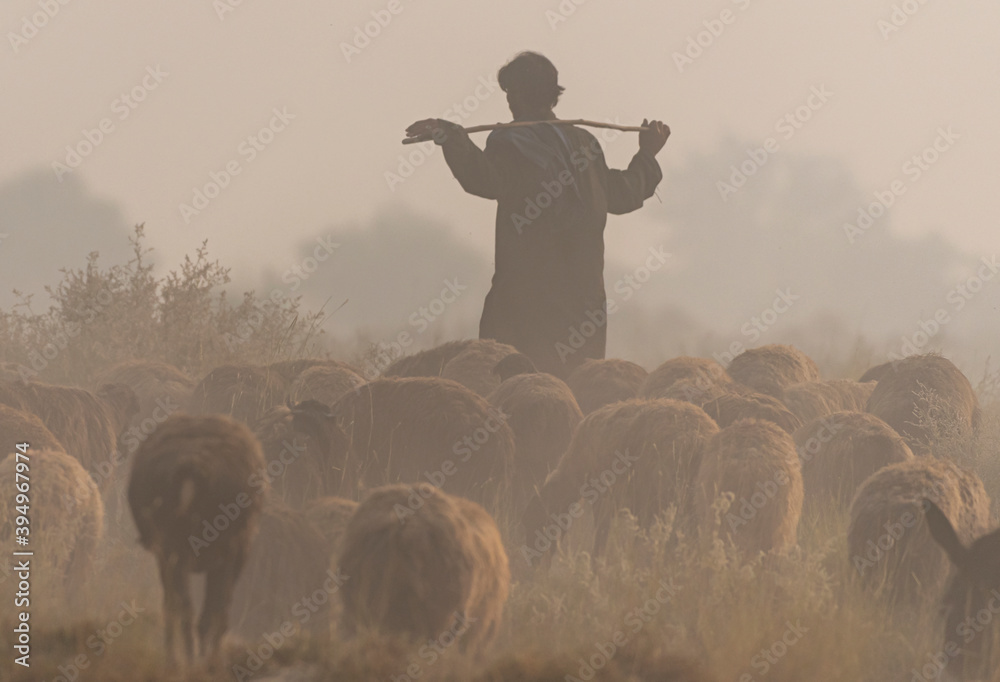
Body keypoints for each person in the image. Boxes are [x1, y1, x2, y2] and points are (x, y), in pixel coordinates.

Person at [406, 51, 669, 379]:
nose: (509, 101)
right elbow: (620, 193)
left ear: (517, 94)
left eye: (510, 93)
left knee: (512, 394)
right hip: (583, 309)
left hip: (524, 303)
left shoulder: (510, 140)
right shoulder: (585, 143)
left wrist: (451, 137)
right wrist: (646, 154)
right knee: (574, 397)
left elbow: (485, 179)